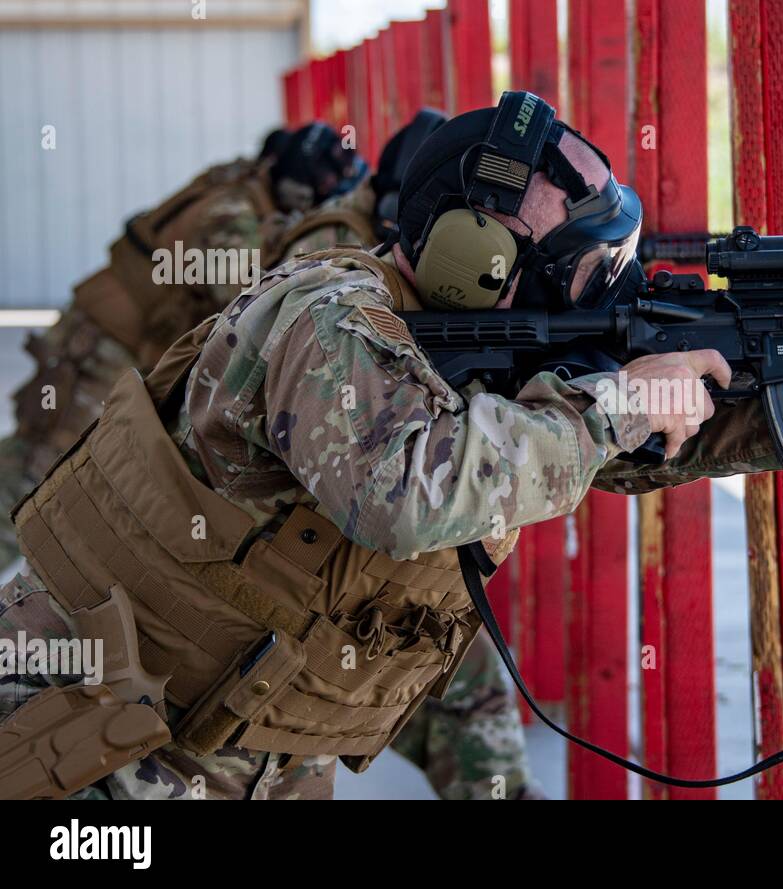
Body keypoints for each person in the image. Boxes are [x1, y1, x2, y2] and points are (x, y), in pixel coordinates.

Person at [0, 92, 783, 799]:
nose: (596, 291)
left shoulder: (466, 350)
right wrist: (608, 403)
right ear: (470, 253)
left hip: (234, 732)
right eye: (571, 262)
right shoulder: (327, 312)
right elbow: (404, 492)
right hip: (91, 727)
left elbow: (677, 444)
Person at [275, 107, 545, 800]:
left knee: (465, 677)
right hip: (265, 597)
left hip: (317, 588)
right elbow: (398, 494)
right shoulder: (334, 276)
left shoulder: (401, 274)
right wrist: (609, 412)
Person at [0, 123, 364, 568]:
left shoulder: (244, 187)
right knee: (38, 465)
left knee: (42, 460)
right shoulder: (232, 210)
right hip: (99, 349)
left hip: (110, 342)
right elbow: (242, 294)